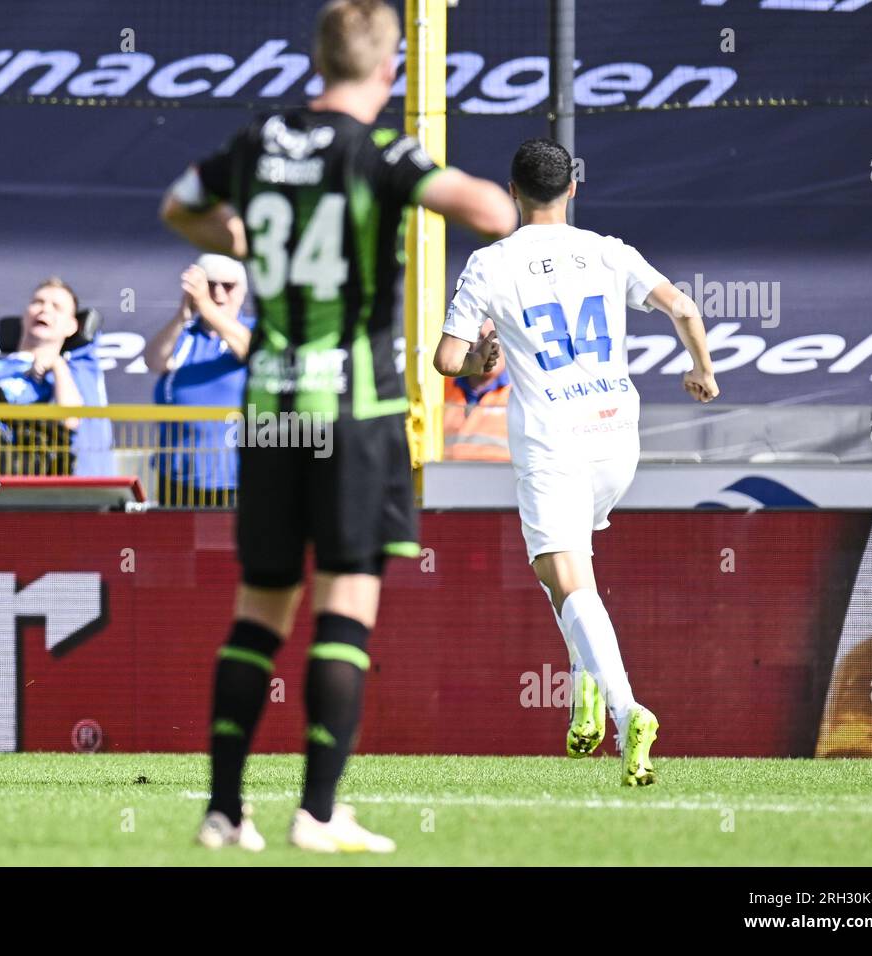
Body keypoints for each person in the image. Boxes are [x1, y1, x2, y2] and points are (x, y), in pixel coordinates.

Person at [161, 0, 516, 853]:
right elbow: (494, 213)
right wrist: (409, 189)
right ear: (392, 68)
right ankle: (317, 812)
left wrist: (241, 238)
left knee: (259, 611)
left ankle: (222, 808)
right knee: (346, 606)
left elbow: (177, 205)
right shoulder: (380, 153)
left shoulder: (256, 141)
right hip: (354, 417)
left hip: (274, 413)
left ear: (318, 60)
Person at [434, 137, 720, 786]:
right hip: (618, 437)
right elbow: (684, 307)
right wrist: (702, 372)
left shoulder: (491, 263)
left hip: (553, 440)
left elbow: (448, 362)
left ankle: (626, 713)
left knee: (563, 578)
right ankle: (584, 690)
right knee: (568, 568)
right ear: (573, 191)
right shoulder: (608, 251)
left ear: (511, 194)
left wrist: (483, 358)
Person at [0, 277, 105, 475]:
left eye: (56, 307)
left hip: (3, 452)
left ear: (72, 326)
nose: (44, 309)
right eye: (37, 302)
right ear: (24, 315)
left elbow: (71, 418)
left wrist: (57, 365)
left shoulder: (66, 371)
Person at [147, 254, 254, 507]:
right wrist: (182, 316)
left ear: (241, 292)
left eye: (228, 286)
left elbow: (249, 349)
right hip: (177, 474)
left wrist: (205, 304)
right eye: (210, 285)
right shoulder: (185, 335)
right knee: (177, 545)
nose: (218, 293)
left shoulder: (252, 329)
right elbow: (154, 360)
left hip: (234, 478)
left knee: (228, 547)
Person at [442, 335, 512, 461]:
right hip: (443, 476)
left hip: (503, 478)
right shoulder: (439, 388)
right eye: (480, 338)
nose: (492, 346)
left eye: (498, 338)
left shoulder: (519, 392)